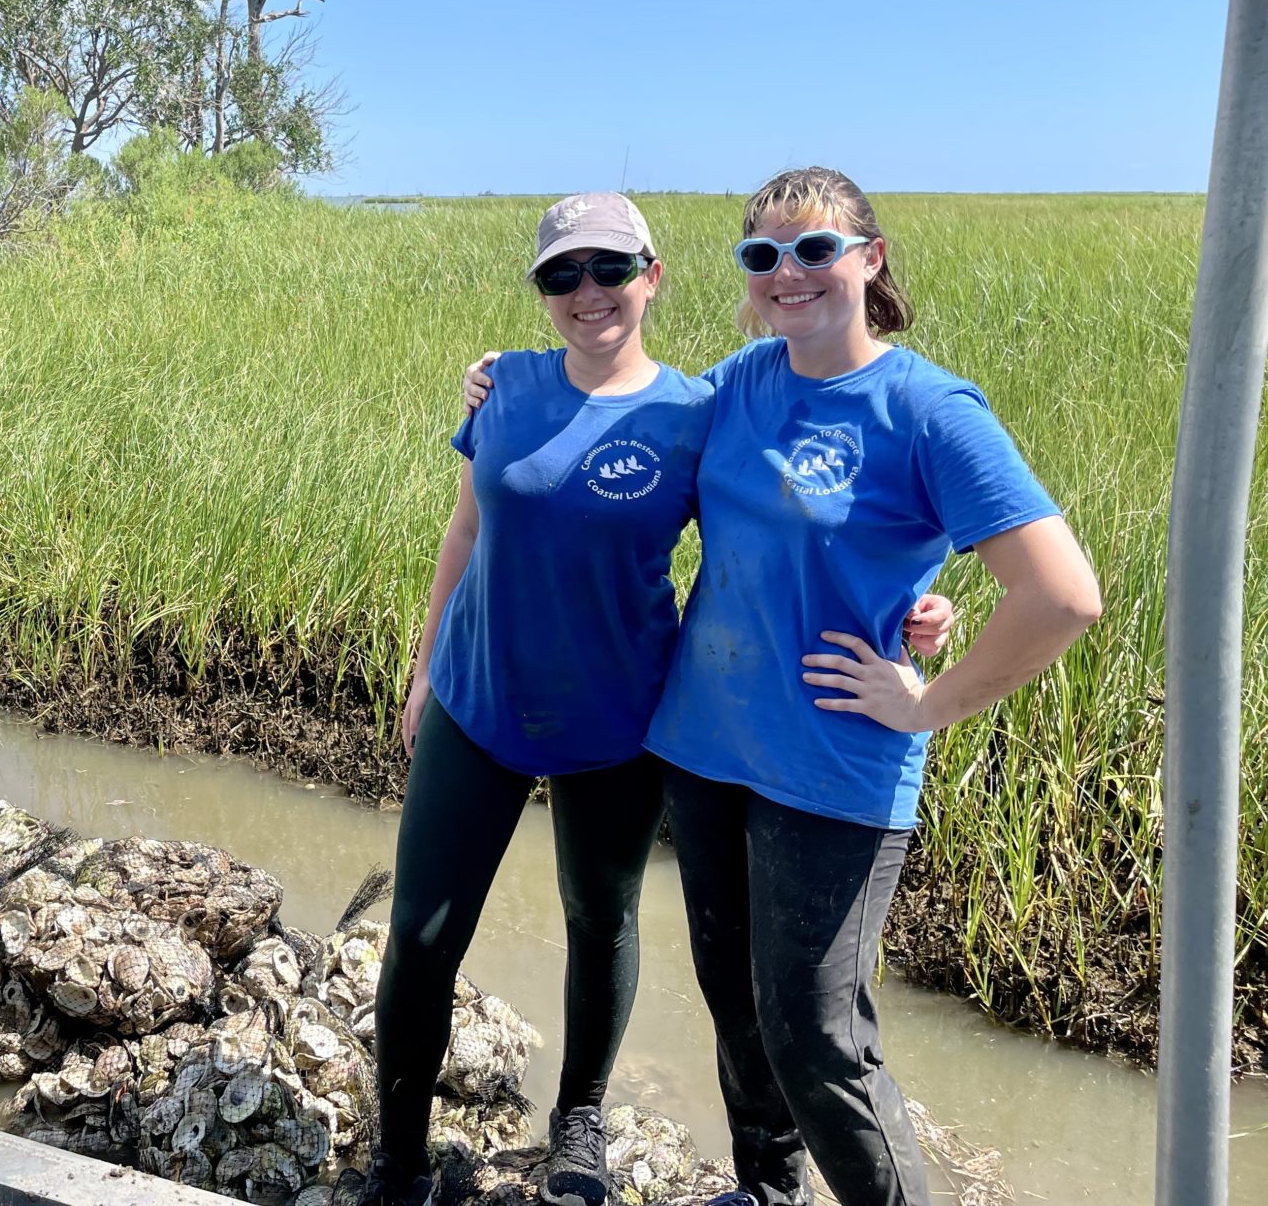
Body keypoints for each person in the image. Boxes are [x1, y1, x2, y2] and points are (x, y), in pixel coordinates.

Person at [468, 168, 1102, 1206]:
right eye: (762, 256)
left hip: (835, 763)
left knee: (818, 1038)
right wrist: (511, 386)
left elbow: (1061, 596)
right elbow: (627, 409)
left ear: (869, 259)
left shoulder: (925, 409)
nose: (787, 273)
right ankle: (766, 1191)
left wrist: (926, 697)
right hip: (704, 745)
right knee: (735, 1002)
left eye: (813, 250)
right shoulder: (742, 382)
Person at [371, 193, 953, 1206]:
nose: (585, 293)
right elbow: (461, 535)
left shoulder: (697, 409)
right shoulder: (499, 387)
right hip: (478, 700)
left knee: (599, 923)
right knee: (420, 937)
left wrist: (907, 614)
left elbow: (788, 525)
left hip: (621, 715)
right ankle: (397, 1162)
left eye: (607, 269)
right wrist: (425, 667)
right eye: (560, 275)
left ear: (650, 276)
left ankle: (578, 1127)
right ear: (538, 293)